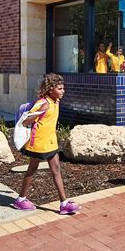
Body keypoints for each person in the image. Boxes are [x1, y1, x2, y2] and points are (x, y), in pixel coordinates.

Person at [13, 73, 81, 215]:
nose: (63, 91)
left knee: (56, 170)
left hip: (50, 142)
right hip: (38, 144)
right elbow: (25, 121)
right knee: (32, 170)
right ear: (51, 90)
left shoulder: (55, 101)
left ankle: (64, 203)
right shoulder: (44, 103)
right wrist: (37, 114)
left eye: (63, 88)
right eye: (60, 89)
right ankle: (20, 199)